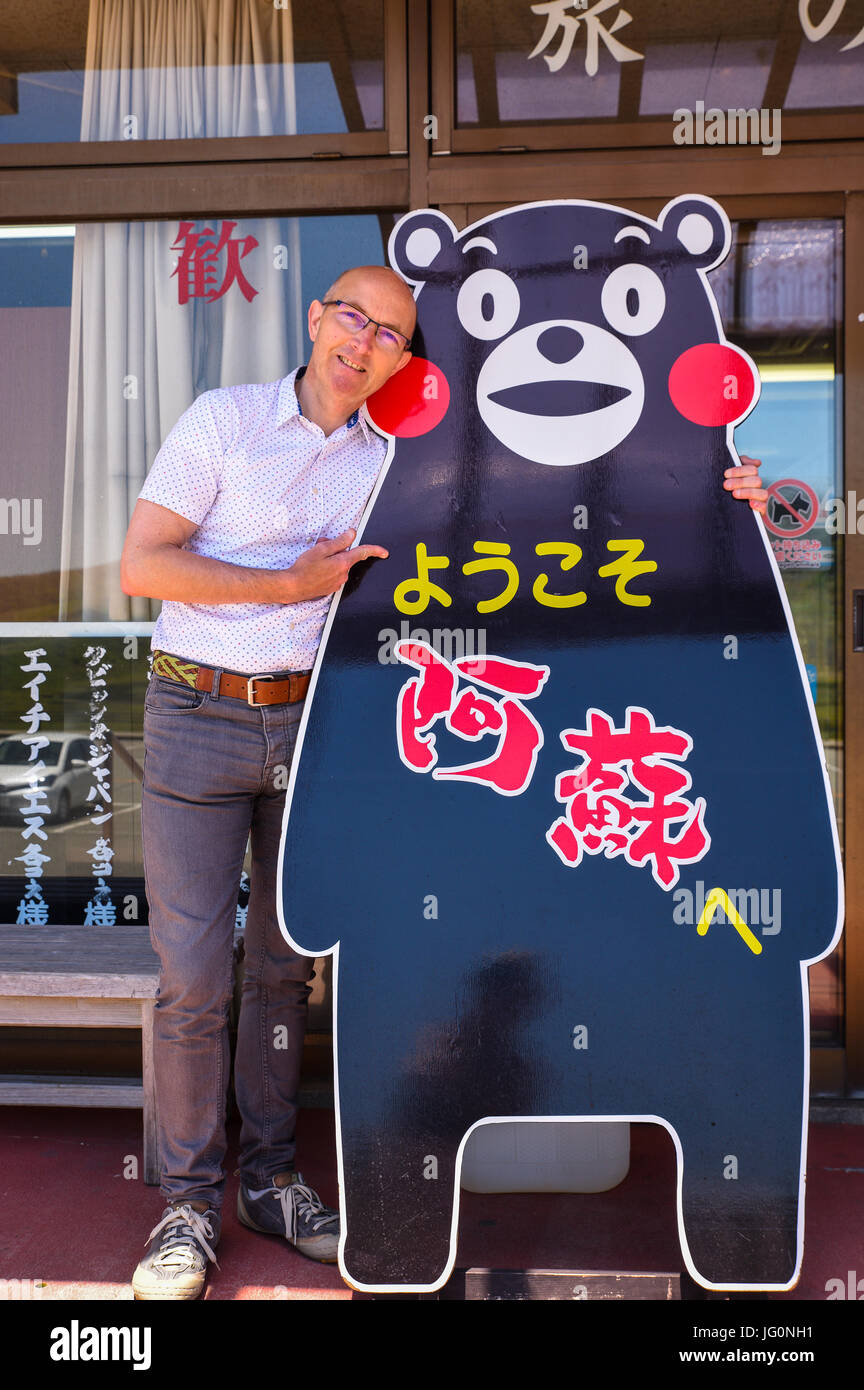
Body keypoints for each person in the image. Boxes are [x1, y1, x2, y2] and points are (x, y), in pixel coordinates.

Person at [120, 263, 766, 1301]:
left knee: (285, 971)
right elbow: (144, 563)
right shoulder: (224, 419)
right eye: (351, 317)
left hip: (320, 728)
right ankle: (186, 1203)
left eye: (391, 334)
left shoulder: (396, 456)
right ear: (316, 315)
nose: (364, 340)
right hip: (197, 713)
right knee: (194, 976)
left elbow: (555, 497)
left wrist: (718, 491)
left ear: (403, 362)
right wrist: (286, 583)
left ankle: (270, 1179)